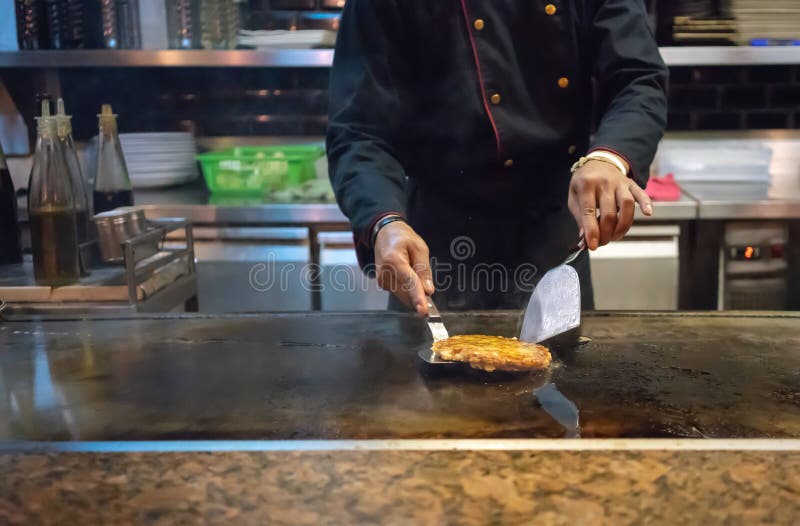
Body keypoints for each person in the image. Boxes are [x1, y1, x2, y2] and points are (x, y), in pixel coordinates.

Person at [327, 0, 668, 314]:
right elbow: (359, 129)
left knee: (566, 376)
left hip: (551, 231)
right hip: (434, 245)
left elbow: (637, 79)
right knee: (417, 378)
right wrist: (384, 222)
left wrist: (609, 158)